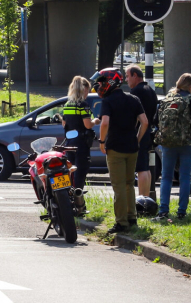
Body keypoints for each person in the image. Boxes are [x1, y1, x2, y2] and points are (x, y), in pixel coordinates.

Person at [94, 67, 146, 233]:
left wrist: (102, 141)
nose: (99, 85)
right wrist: (137, 139)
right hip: (132, 147)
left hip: (115, 147)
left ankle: (121, 223)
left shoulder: (108, 101)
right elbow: (144, 122)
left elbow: (105, 123)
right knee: (129, 183)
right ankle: (132, 218)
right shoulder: (133, 99)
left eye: (101, 82)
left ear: (110, 82)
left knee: (119, 186)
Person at [156, 73, 191, 220]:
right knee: (185, 177)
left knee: (166, 177)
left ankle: (163, 211)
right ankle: (181, 212)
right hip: (187, 143)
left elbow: (156, 121)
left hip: (168, 143)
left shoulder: (166, 99)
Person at [125, 65, 158, 199]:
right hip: (149, 132)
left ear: (135, 75)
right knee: (146, 167)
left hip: (140, 132)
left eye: (127, 76)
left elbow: (134, 116)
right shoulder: (150, 90)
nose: (126, 80)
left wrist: (136, 138)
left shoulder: (136, 92)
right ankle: (147, 198)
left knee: (141, 168)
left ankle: (142, 200)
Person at [62, 75, 95, 190]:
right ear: (84, 89)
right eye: (88, 91)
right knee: (80, 172)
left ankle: (69, 195)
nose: (88, 94)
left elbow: (64, 123)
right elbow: (88, 125)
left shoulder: (67, 104)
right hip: (81, 143)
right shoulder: (83, 105)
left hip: (69, 142)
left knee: (71, 171)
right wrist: (95, 121)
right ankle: (78, 196)